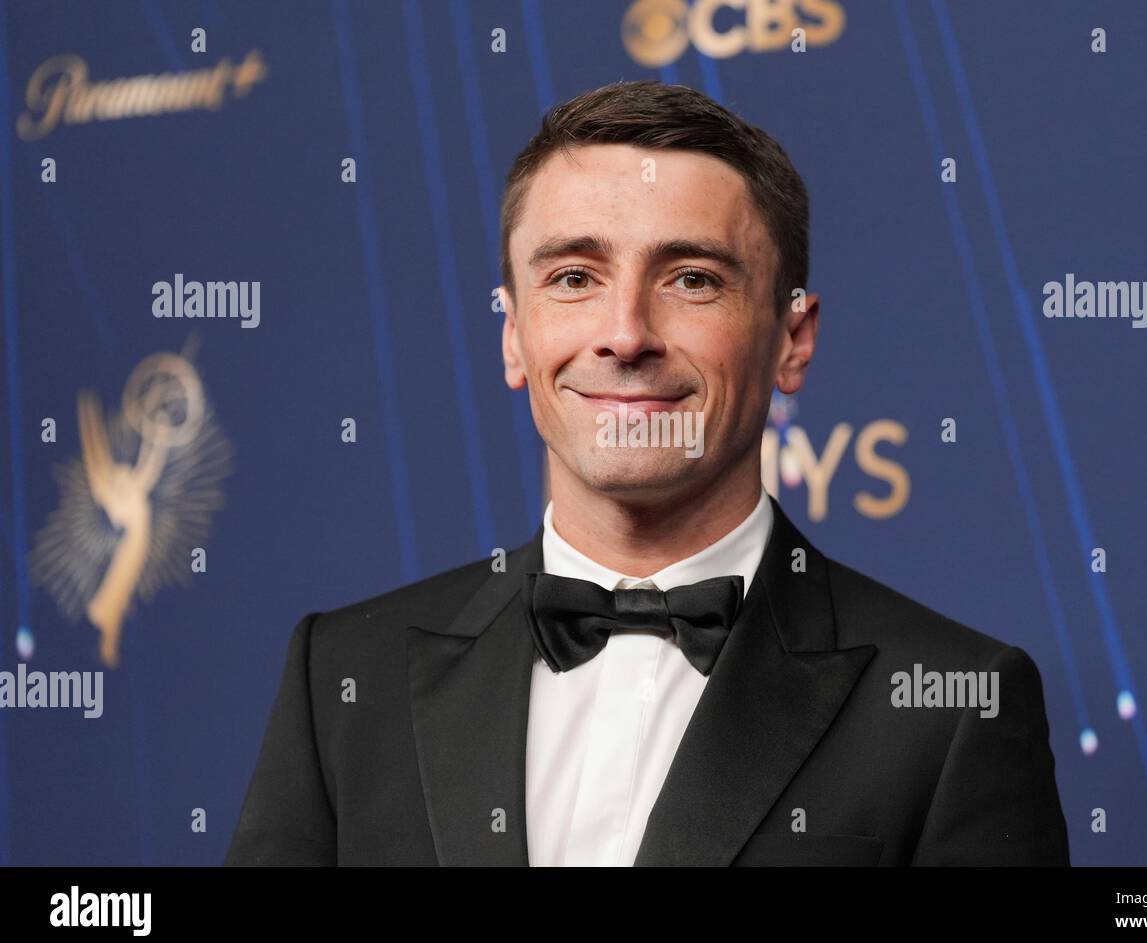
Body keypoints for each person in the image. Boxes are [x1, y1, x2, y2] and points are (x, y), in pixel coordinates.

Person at [225, 80, 1069, 867]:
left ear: (792, 340)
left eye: (693, 279)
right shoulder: (340, 676)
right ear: (513, 335)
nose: (625, 333)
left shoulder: (954, 704)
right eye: (574, 278)